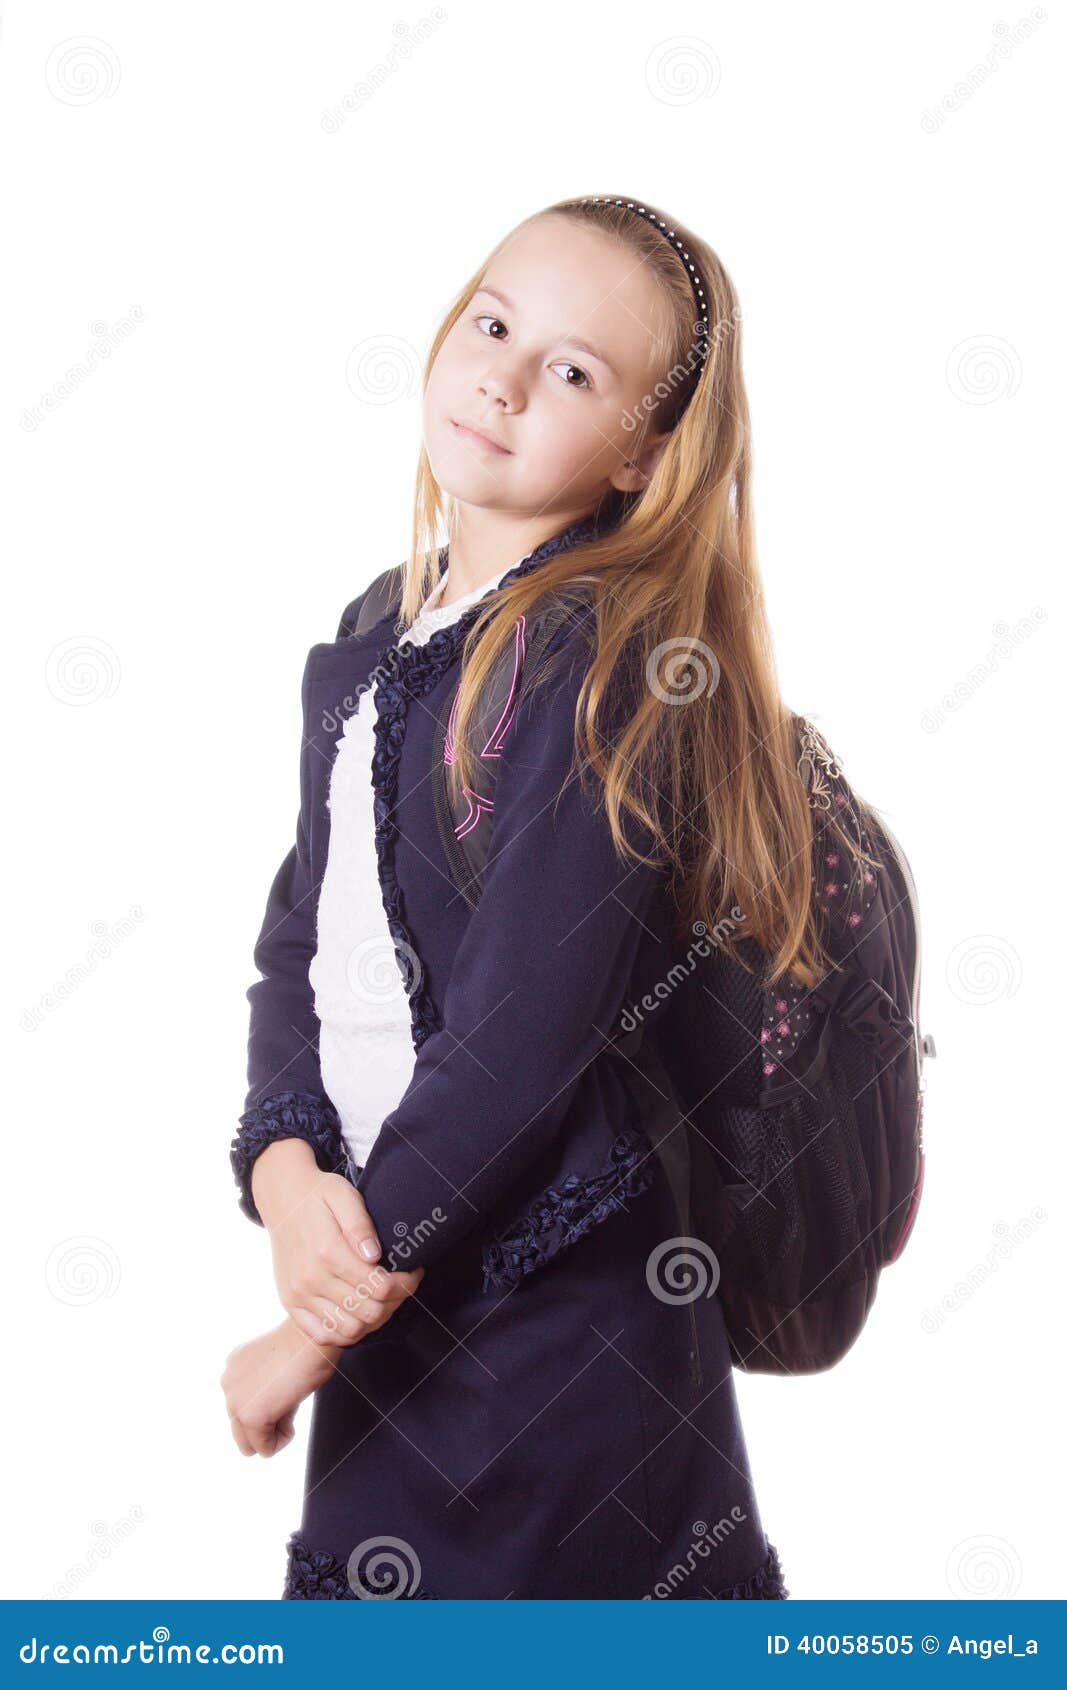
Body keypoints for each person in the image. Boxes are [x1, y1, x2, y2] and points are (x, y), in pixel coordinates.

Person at [220, 194, 843, 1600]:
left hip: (558, 1343)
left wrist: (313, 1331)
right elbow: (296, 947)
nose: (501, 375)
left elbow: (521, 1041)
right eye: (494, 324)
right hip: (402, 1298)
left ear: (644, 451)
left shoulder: (606, 665)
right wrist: (288, 1174)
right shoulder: (391, 629)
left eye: (573, 368)